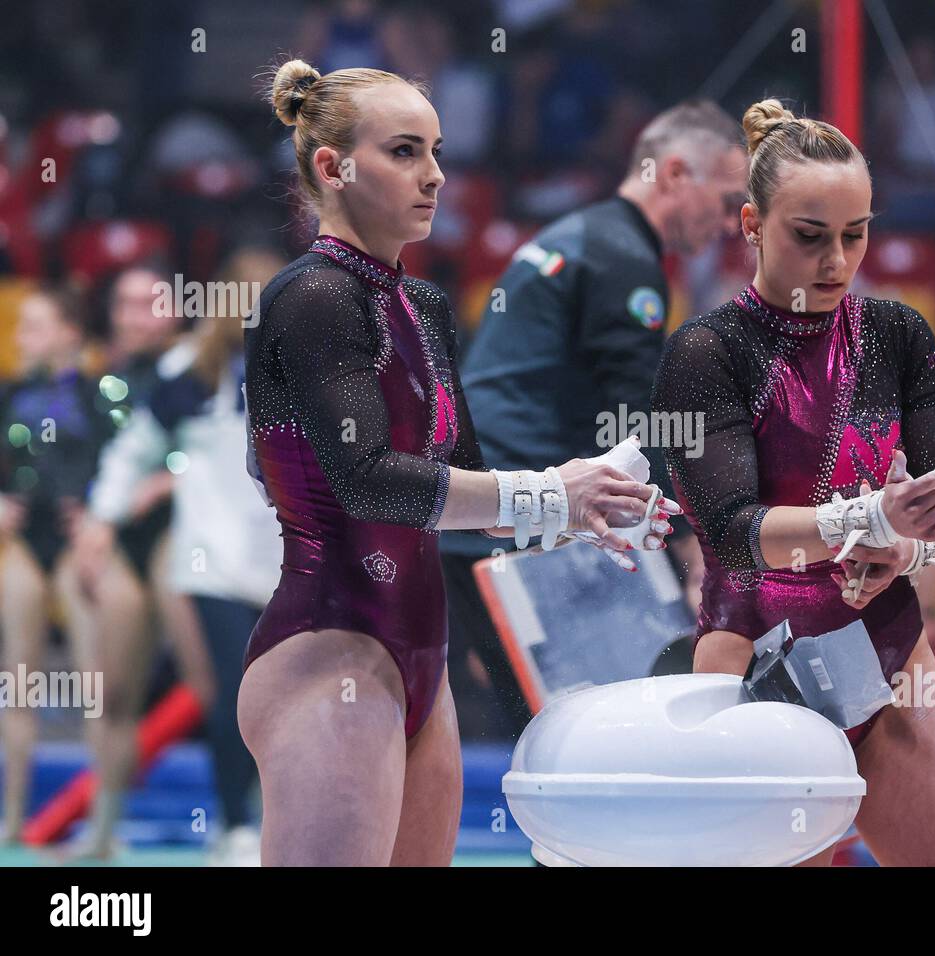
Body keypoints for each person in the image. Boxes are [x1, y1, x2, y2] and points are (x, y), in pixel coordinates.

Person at [238, 58, 675, 866]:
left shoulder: (425, 307)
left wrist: (586, 513)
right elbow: (369, 478)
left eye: (437, 151)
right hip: (329, 645)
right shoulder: (312, 299)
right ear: (332, 167)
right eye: (405, 151)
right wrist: (552, 494)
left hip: (420, 665)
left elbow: (467, 484)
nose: (435, 175)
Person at [652, 99, 935, 866]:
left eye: (856, 234)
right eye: (809, 237)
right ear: (751, 224)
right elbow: (731, 533)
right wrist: (868, 518)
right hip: (754, 660)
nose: (837, 262)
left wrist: (910, 550)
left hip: (883, 653)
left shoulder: (899, 334)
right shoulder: (706, 352)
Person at [439, 99, 747, 740]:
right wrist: (694, 545)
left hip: (485, 510)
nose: (728, 223)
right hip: (524, 522)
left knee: (552, 733)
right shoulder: (623, 261)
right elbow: (636, 418)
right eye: (725, 199)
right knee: (589, 736)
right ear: (674, 173)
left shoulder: (580, 235)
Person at [76, 247, 290, 865]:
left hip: (284, 561)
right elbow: (132, 450)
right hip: (213, 562)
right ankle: (232, 825)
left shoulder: (307, 371)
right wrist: (102, 517)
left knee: (281, 697)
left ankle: (280, 821)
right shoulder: (188, 373)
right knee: (233, 690)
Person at [0, 284, 113, 845]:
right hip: (20, 546)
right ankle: (14, 819)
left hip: (76, 548)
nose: (21, 337)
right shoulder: (8, 393)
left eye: (35, 326)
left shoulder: (100, 395)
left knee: (93, 682)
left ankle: (103, 827)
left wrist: (97, 513)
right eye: (22, 327)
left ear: (70, 333)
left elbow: (131, 458)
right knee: (18, 680)